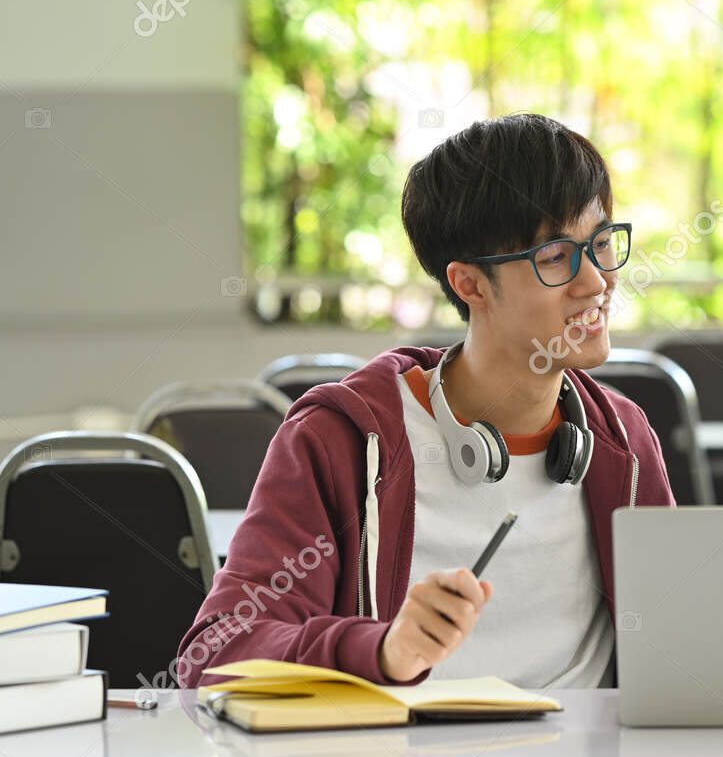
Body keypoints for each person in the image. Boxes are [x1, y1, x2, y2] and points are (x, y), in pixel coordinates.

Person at [175, 113, 674, 689]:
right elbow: (217, 653)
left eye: (603, 243)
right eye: (557, 257)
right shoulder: (340, 440)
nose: (597, 281)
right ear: (470, 285)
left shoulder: (623, 441)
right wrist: (382, 651)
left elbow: (687, 644)